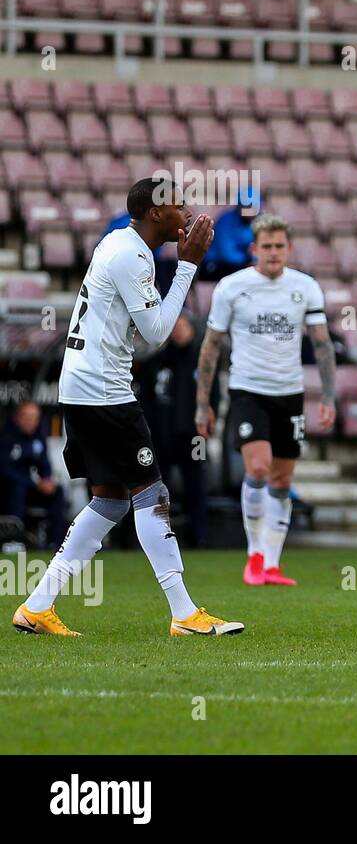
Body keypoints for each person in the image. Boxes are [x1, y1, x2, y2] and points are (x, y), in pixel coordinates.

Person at [13, 176, 242, 637]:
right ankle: (184, 613)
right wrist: (188, 265)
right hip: (103, 392)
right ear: (156, 213)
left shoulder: (118, 243)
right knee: (152, 494)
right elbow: (156, 333)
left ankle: (37, 606)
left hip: (84, 387)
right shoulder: (131, 255)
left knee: (111, 501)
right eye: (179, 205)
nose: (188, 212)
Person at [196, 214, 335, 587]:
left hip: (289, 394)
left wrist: (329, 395)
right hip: (247, 391)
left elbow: (322, 343)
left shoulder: (305, 287)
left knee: (282, 479)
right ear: (254, 249)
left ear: (289, 249)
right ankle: (254, 555)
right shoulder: (232, 287)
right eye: (266, 247)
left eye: (279, 246)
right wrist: (202, 402)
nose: (273, 253)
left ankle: (272, 562)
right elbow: (210, 347)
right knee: (257, 468)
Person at [137, 313, 209, 548]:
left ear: (191, 329)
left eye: (183, 326)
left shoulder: (202, 365)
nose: (179, 331)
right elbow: (145, 402)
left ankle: (200, 537)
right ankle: (157, 539)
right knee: (158, 490)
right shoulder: (155, 363)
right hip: (162, 438)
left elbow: (213, 397)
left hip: (195, 438)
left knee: (197, 488)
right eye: (174, 326)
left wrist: (209, 420)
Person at [0, 401, 67, 549]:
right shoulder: (6, 438)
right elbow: (4, 470)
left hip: (28, 487)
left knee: (57, 491)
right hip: (7, 488)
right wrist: (34, 484)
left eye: (34, 418)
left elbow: (44, 464)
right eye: (27, 417)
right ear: (18, 417)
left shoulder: (37, 438)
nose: (30, 422)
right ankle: (13, 539)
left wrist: (47, 481)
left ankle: (55, 542)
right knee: (17, 488)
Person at [200, 187, 260, 282]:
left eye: (252, 206)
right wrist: (248, 258)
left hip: (240, 265)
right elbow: (227, 254)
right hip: (216, 265)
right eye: (246, 206)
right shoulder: (226, 222)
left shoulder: (258, 222)